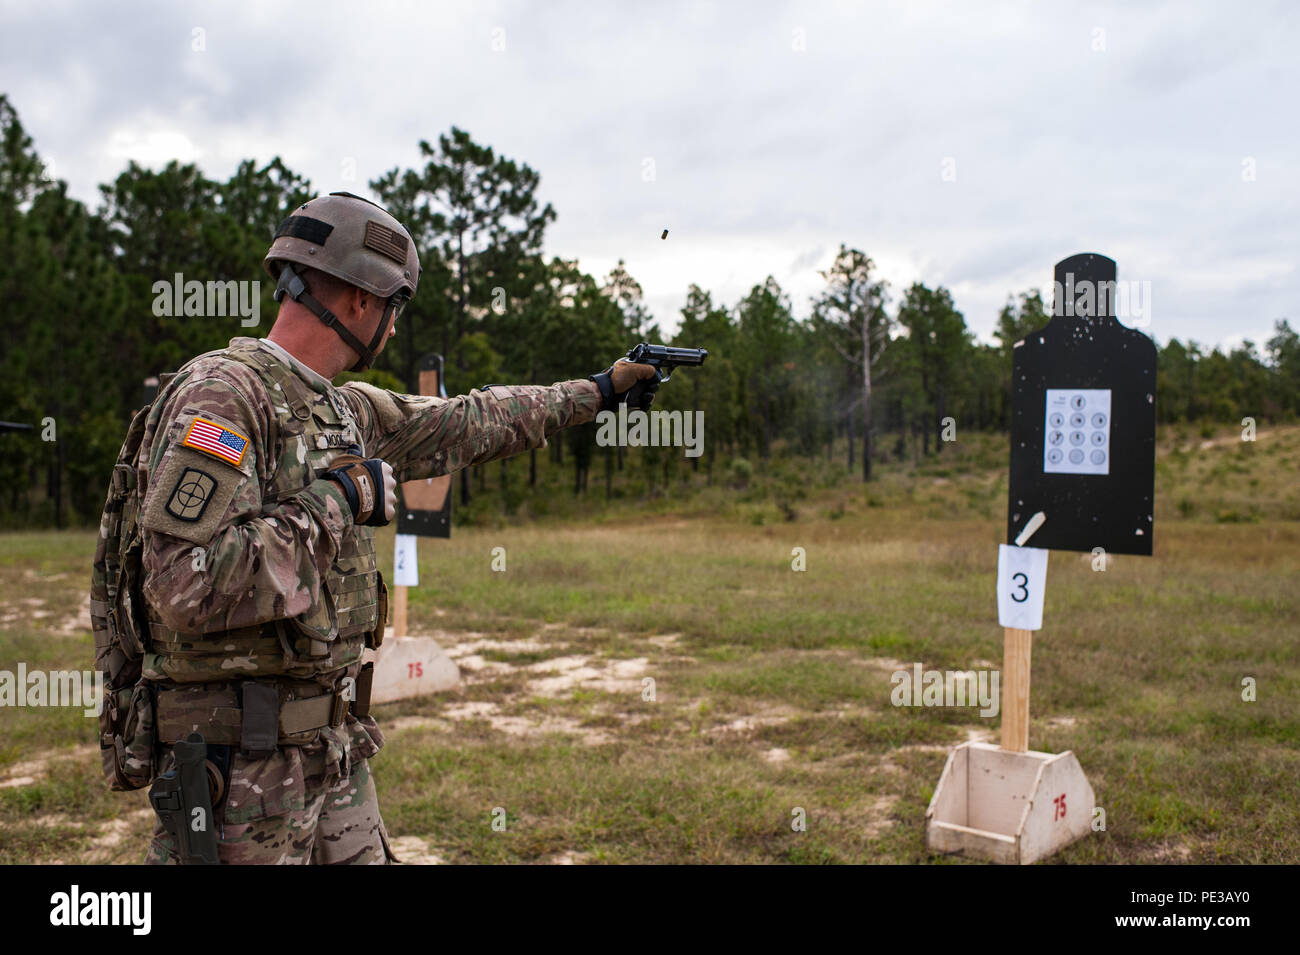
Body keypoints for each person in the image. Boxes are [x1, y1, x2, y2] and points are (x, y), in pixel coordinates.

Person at [135, 191, 654, 864]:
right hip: (241, 773)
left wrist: (600, 390)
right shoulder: (225, 396)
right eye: (394, 307)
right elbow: (182, 585)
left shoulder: (346, 407)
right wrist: (339, 501)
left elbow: (472, 420)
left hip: (334, 751)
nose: (393, 327)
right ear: (360, 301)